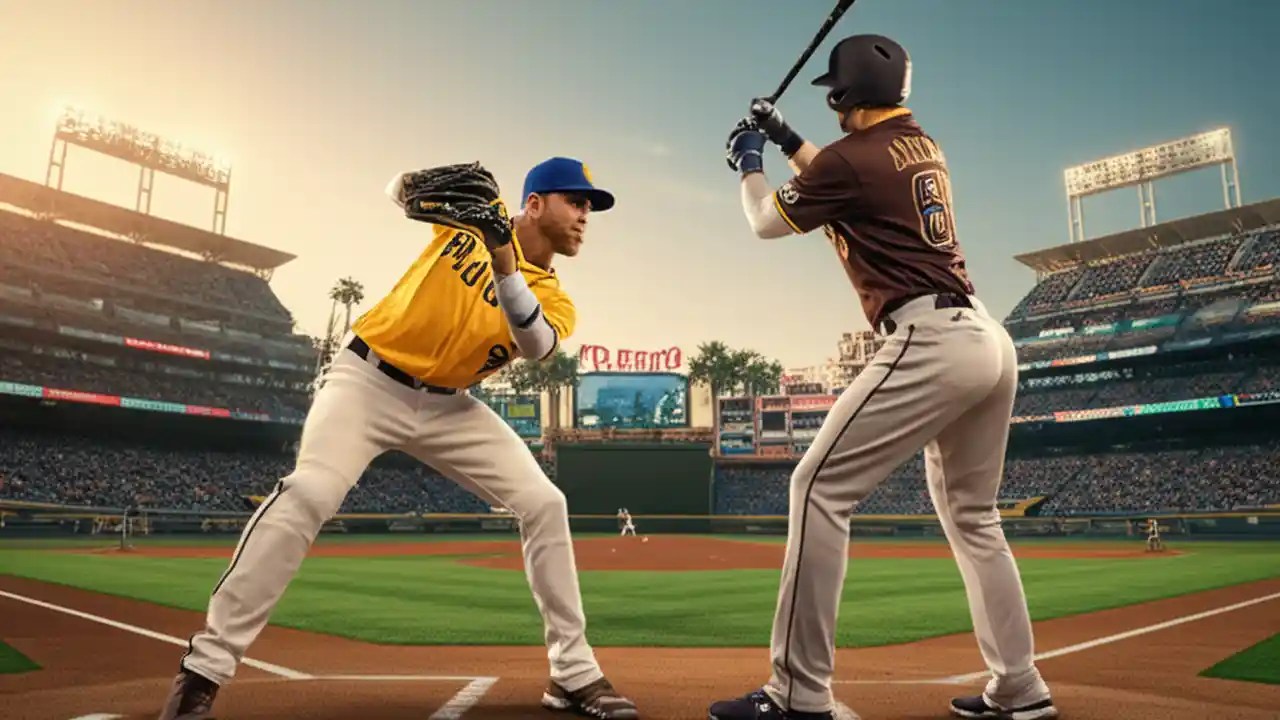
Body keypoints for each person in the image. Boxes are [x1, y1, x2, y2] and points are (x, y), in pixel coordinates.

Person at [158, 157, 640, 720]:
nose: (586, 216)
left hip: (449, 407)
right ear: (534, 203)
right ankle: (204, 670)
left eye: (589, 207)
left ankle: (572, 675)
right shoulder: (468, 223)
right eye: (576, 202)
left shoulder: (555, 299)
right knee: (310, 492)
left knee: (544, 502)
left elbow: (533, 344)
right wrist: (439, 187)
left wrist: (502, 256)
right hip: (366, 380)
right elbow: (400, 191)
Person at [710, 34, 1057, 720]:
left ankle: (797, 693)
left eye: (832, 94)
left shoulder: (851, 159)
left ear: (845, 94)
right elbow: (839, 177)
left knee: (817, 486)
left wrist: (748, 164)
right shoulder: (917, 145)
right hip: (987, 340)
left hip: (929, 338)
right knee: (975, 517)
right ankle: (1019, 686)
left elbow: (764, 222)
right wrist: (783, 137)